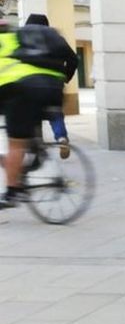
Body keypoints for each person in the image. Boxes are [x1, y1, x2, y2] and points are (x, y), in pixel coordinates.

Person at [0, 16, 78, 209]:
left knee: (15, 143)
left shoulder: (7, 41)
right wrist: (65, 78)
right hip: (54, 87)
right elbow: (72, 58)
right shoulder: (25, 38)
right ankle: (37, 152)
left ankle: (12, 192)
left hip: (23, 89)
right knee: (32, 122)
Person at [24, 14, 75, 159]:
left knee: (33, 114)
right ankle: (61, 138)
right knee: (55, 113)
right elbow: (73, 59)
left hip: (29, 84)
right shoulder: (56, 38)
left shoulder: (22, 38)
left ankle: (37, 147)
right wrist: (66, 76)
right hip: (54, 84)